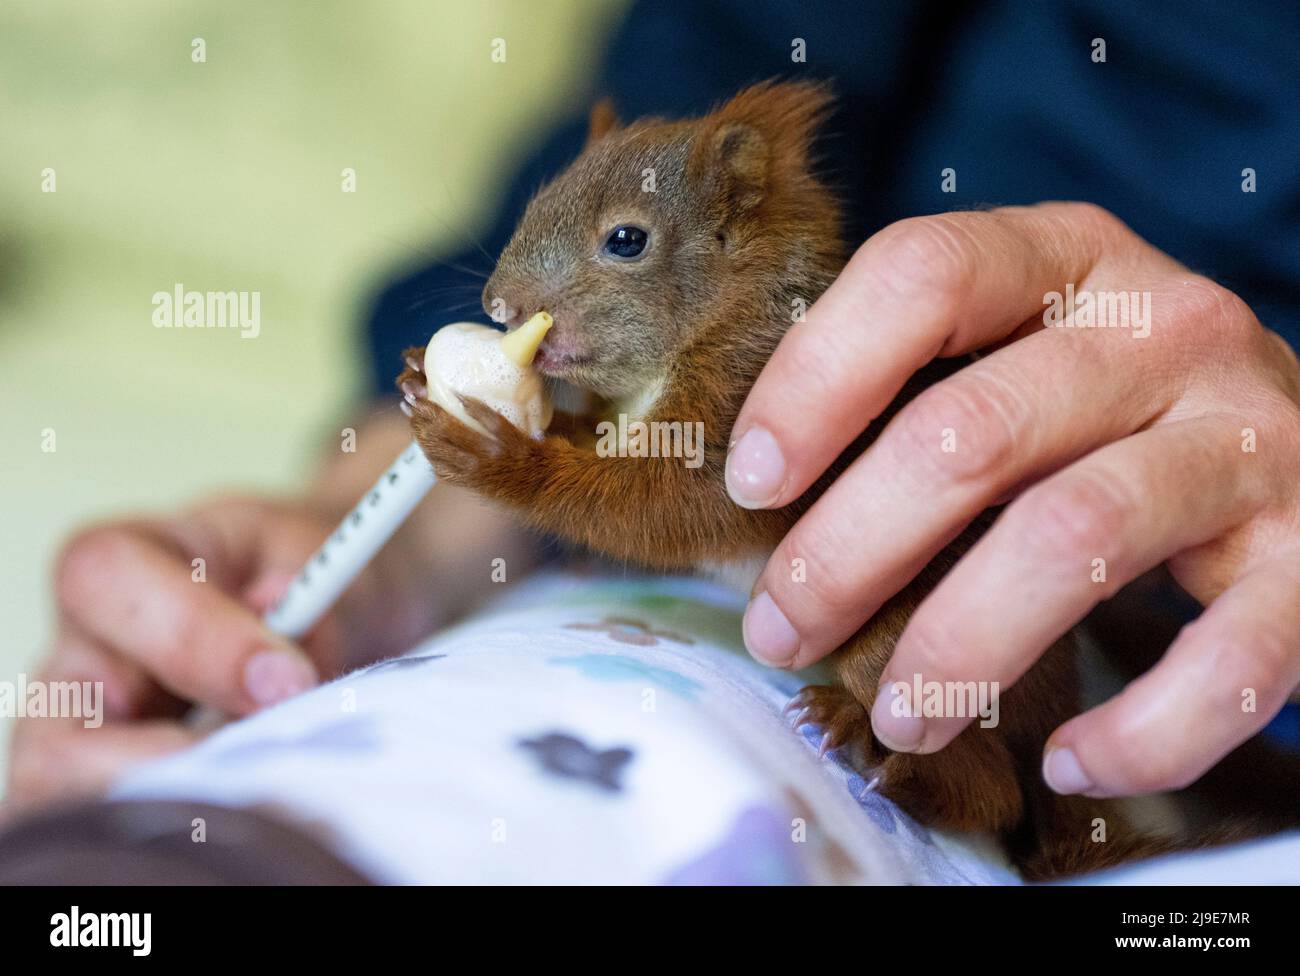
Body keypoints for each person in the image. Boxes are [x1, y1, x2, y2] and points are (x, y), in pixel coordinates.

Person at [11, 0, 1300, 812]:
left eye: (622, 249)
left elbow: (683, 496)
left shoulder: (759, 325)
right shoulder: (699, 278)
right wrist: (378, 523)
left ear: (736, 223)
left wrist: (513, 476)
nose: (523, 297)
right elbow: (717, 50)